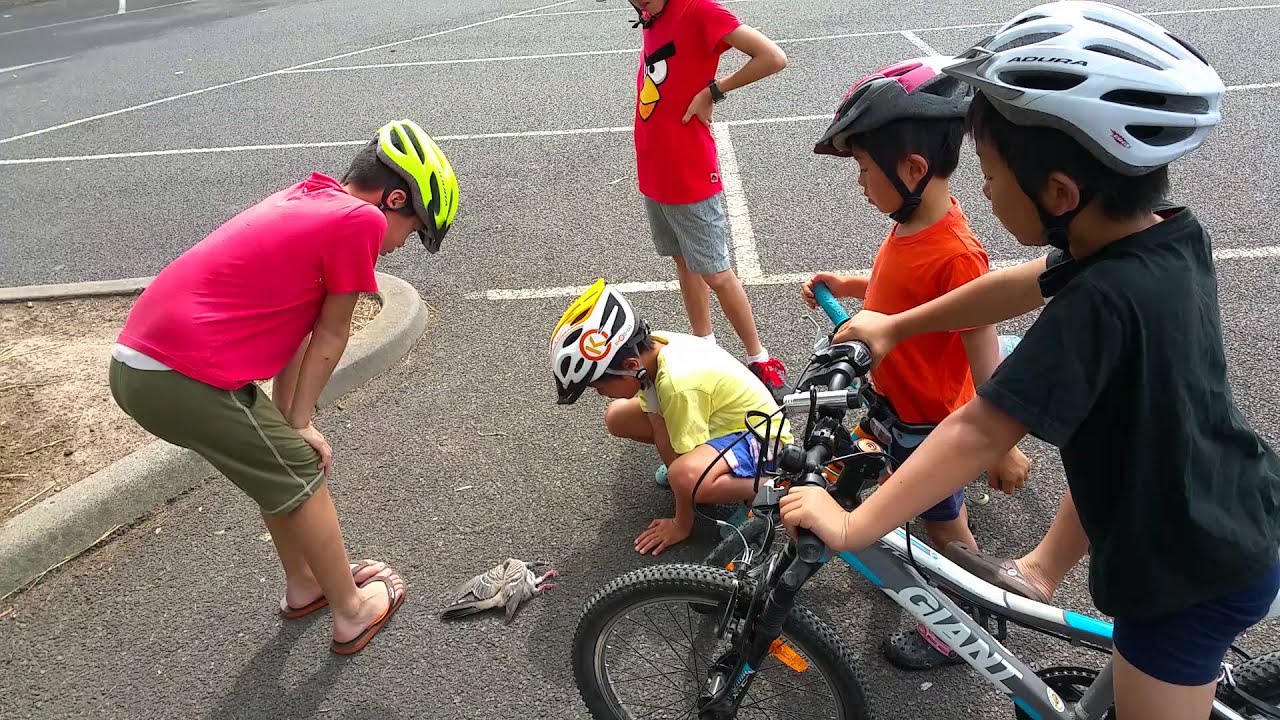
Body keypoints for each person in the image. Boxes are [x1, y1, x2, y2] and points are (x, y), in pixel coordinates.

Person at [780, 4, 1280, 718]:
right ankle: (1042, 571)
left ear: (1059, 193)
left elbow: (977, 430)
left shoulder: (1100, 302)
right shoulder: (1163, 235)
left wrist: (853, 526)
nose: (981, 189)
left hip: (1182, 575)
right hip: (1220, 493)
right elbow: (1018, 283)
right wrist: (896, 325)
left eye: (989, 172)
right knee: (1114, 452)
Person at [109, 119, 459, 655]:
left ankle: (306, 584)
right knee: (298, 470)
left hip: (145, 366)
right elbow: (333, 334)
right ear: (393, 200)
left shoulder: (313, 199)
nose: (397, 246)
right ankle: (352, 610)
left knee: (280, 468)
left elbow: (299, 333)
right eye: (411, 231)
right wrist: (298, 425)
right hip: (179, 373)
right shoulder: (361, 221)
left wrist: (293, 420)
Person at [802, 56, 1032, 669]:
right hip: (893, 404)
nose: (860, 182)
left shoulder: (956, 253)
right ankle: (916, 563)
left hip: (930, 423)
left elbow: (982, 347)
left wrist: (1001, 446)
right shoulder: (912, 223)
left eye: (863, 168)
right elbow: (898, 291)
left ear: (911, 169)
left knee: (945, 527)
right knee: (903, 489)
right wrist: (851, 285)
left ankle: (965, 626)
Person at [551, 279, 791, 556]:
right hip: (726, 424)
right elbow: (659, 426)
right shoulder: (651, 353)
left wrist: (681, 523)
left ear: (630, 366)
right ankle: (707, 476)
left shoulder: (677, 383)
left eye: (599, 386)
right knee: (617, 417)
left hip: (764, 442)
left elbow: (676, 452)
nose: (600, 393)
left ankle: (775, 490)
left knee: (685, 477)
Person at [628, 0, 791, 401]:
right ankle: (705, 346)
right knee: (684, 261)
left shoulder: (697, 10)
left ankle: (759, 358)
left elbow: (772, 57)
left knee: (717, 273)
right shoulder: (651, 16)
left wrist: (713, 92)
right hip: (656, 168)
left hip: (689, 171)